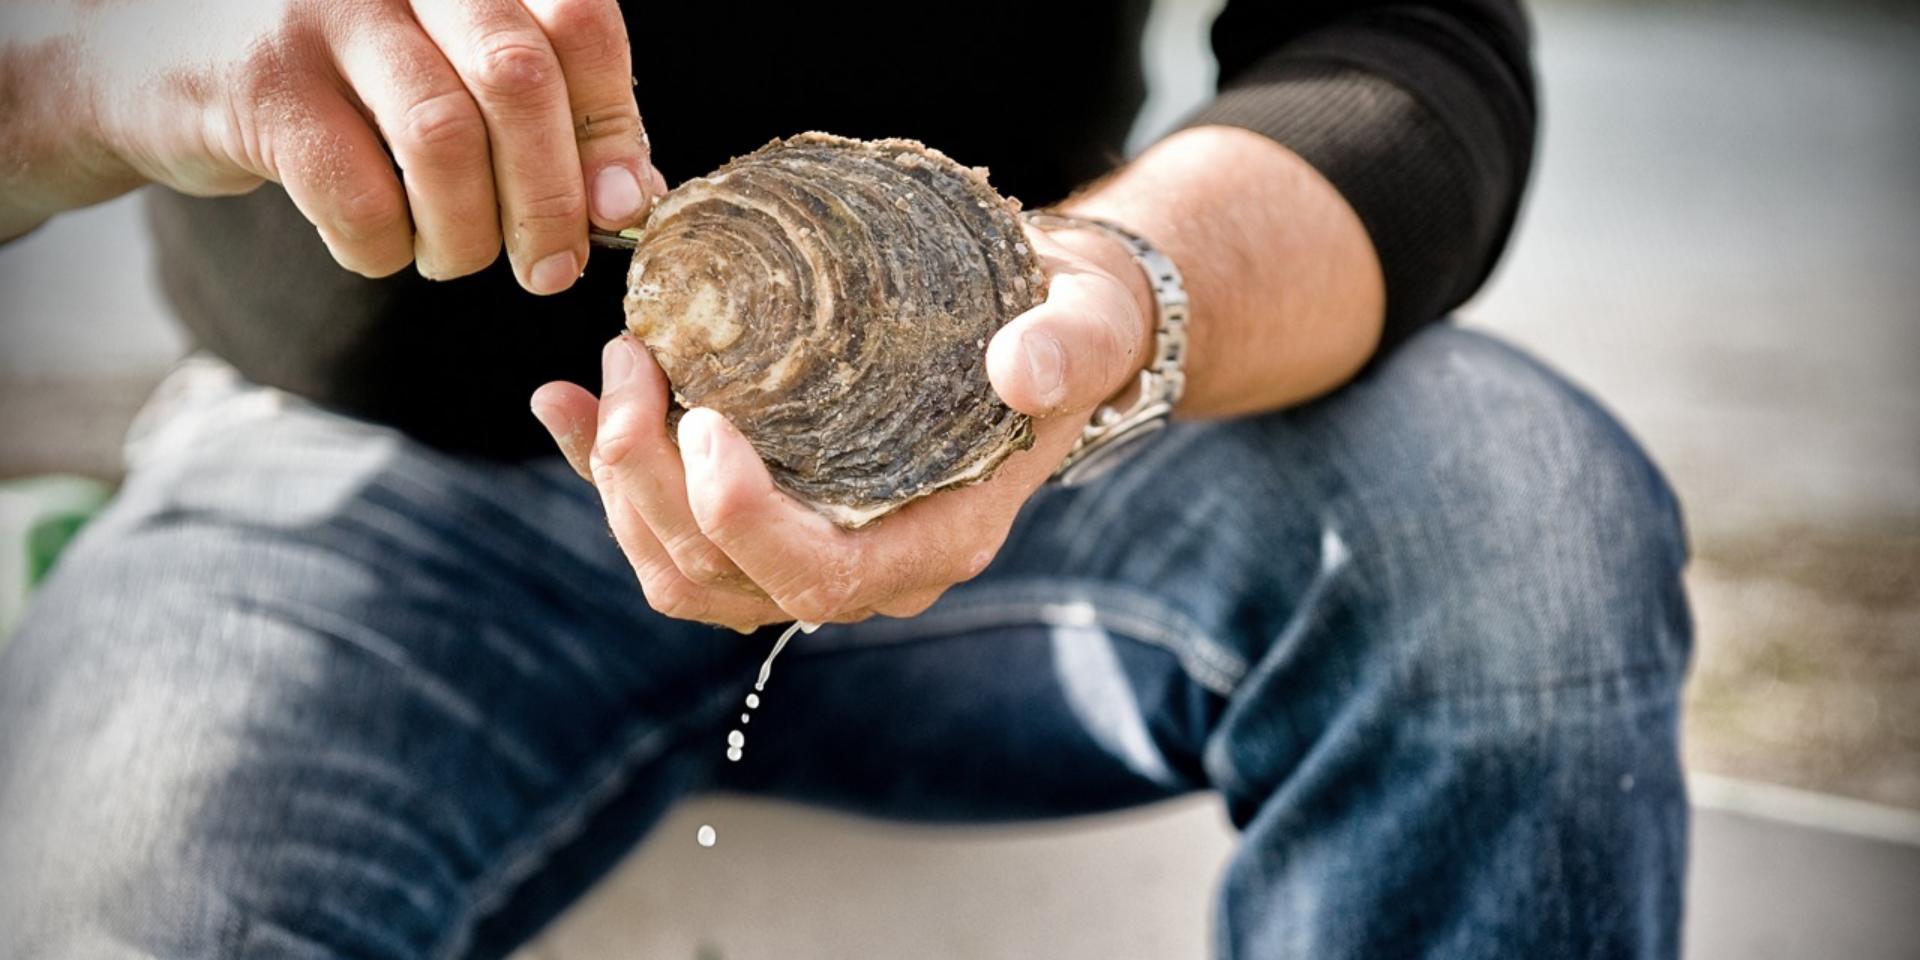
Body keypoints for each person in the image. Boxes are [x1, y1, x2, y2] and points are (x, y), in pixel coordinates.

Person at [0, 0, 1693, 956]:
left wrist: (1121, 302)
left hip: (1048, 400)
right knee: (119, 908)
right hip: (359, 478)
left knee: (1511, 517)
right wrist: (85, 67)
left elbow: (1406, 45)